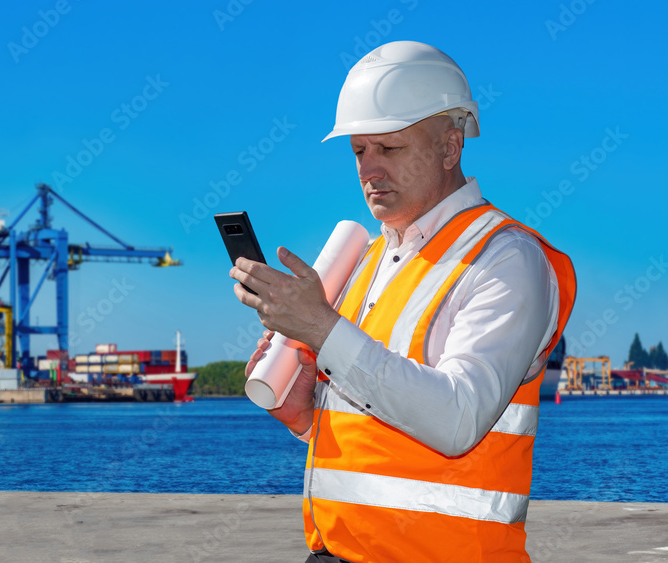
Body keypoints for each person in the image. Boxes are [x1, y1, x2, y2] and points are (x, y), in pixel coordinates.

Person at [229, 41, 576, 563]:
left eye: (388, 149)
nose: (369, 169)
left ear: (449, 147)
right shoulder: (368, 262)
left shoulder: (507, 259)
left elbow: (458, 419)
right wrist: (306, 415)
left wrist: (323, 329)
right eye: (358, 152)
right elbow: (385, 441)